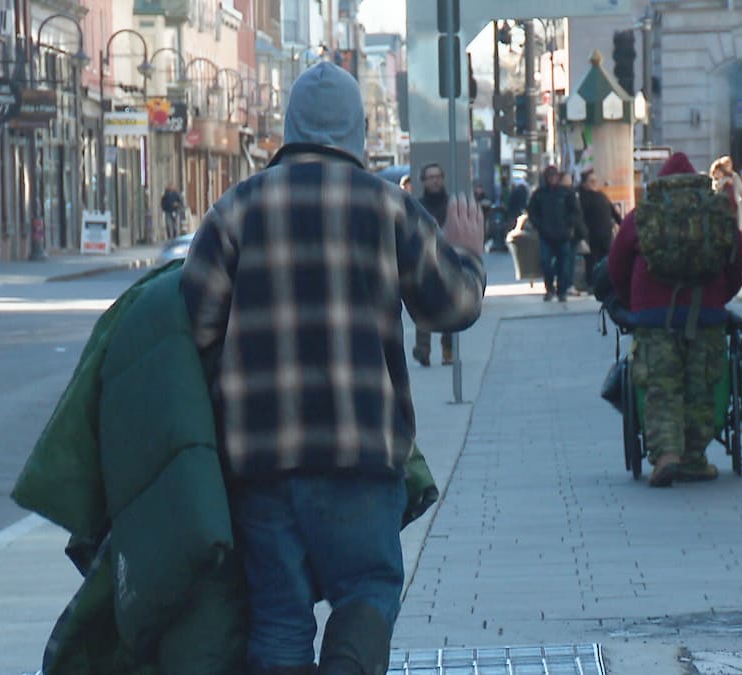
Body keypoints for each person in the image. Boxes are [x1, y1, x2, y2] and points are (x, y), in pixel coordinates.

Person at [180, 62, 486, 675]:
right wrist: (469, 256)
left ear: (290, 126)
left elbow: (196, 322)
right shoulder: (387, 206)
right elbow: (451, 308)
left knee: (277, 617)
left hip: (260, 460)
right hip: (358, 452)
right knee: (368, 587)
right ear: (358, 130)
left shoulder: (236, 208)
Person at [607, 152, 742, 487]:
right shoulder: (715, 212)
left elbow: (617, 263)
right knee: (703, 386)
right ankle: (695, 458)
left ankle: (667, 455)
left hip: (653, 316)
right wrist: (720, 297)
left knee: (661, 386)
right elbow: (740, 260)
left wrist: (633, 303)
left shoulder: (644, 214)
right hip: (708, 313)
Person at [412, 163, 456, 367]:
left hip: (448, 260)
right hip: (424, 261)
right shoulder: (416, 206)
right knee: (423, 305)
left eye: (438, 176)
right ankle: (423, 350)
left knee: (448, 307)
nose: (435, 180)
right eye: (431, 177)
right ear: (423, 181)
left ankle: (448, 350)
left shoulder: (452, 204)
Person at [527, 165, 584, 302]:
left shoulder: (566, 193)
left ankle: (562, 291)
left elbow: (575, 211)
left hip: (563, 235)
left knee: (564, 264)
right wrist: (539, 225)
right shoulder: (539, 194)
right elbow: (532, 212)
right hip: (546, 235)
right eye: (550, 176)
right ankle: (549, 288)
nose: (552, 179)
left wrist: (569, 225)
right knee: (545, 262)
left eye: (554, 176)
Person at [577, 168, 620, 273]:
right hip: (591, 237)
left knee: (607, 263)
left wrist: (622, 224)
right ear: (584, 183)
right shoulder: (580, 198)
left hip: (606, 235)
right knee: (592, 265)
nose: (594, 184)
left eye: (595, 181)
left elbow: (613, 212)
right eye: (591, 181)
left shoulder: (601, 196)